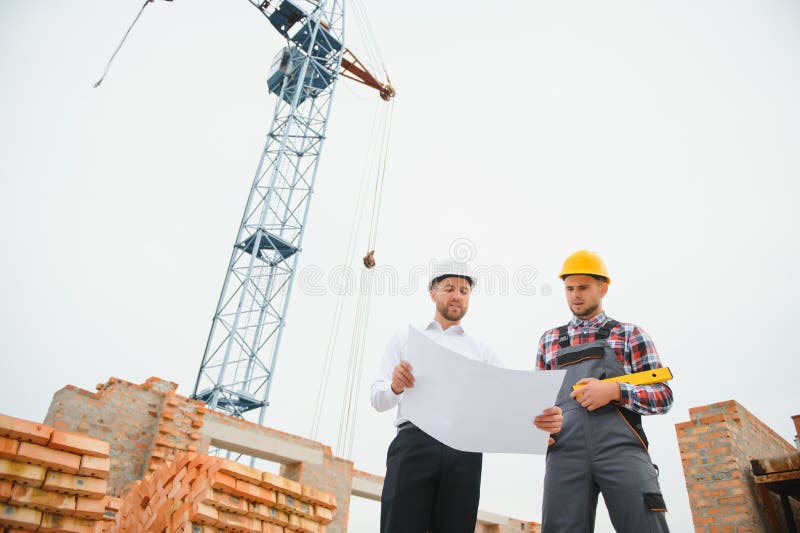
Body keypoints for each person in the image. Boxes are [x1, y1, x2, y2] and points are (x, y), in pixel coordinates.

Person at [371, 260, 563, 533]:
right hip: (414, 445)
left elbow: (511, 400)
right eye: (449, 288)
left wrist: (542, 424)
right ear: (432, 293)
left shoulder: (482, 353)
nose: (457, 295)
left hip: (464, 452)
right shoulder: (405, 339)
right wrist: (395, 386)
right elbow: (377, 399)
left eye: (464, 290)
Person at [536, 250, 673, 533]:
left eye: (583, 287)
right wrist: (539, 428)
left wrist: (615, 391)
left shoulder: (629, 334)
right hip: (564, 453)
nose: (575, 295)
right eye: (569, 289)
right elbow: (537, 404)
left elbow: (663, 396)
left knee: (645, 525)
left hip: (621, 450)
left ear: (603, 288)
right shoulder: (549, 341)